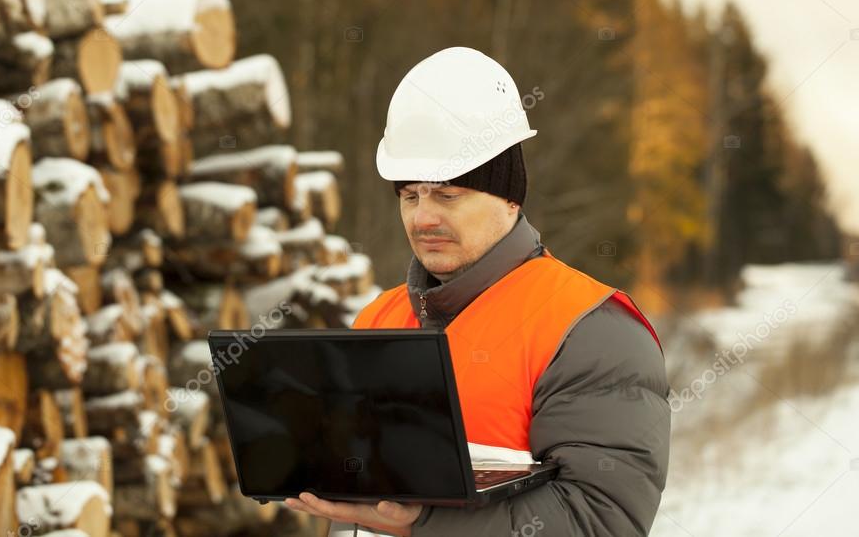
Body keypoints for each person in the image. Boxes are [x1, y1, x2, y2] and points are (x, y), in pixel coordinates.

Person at [285, 47, 670, 536]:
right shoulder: (377, 319)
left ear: (510, 197)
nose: (423, 218)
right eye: (410, 195)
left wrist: (426, 522)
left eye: (448, 195)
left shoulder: (592, 330)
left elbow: (599, 521)